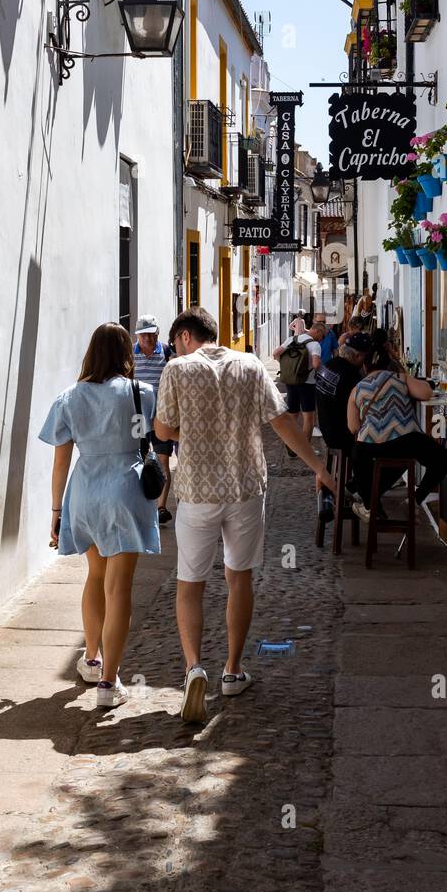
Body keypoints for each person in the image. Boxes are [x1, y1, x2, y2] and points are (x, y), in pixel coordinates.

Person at [154, 306, 336, 723]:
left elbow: (162, 432)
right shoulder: (251, 365)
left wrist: (195, 433)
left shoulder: (178, 371)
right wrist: (319, 468)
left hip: (197, 491)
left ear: (184, 336)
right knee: (238, 578)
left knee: (189, 585)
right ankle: (233, 671)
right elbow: (283, 422)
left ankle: (193, 667)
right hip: (244, 488)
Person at [39, 322, 160, 709]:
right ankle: (109, 682)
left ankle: (91, 658)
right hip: (125, 489)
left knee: (95, 575)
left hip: (86, 491)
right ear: (126, 353)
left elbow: (60, 461)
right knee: (119, 586)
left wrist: (57, 511)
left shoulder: (69, 398)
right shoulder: (141, 394)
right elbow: (146, 438)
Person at [347, 329, 447, 521]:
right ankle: (415, 500)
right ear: (389, 363)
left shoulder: (357, 389)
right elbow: (427, 393)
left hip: (368, 448)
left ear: (365, 365)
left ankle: (372, 507)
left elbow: (353, 427)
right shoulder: (400, 378)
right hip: (403, 442)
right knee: (442, 459)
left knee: (362, 462)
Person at [313, 332, 370, 522]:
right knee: (372, 451)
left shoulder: (327, 366)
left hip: (327, 431)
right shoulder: (352, 376)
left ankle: (330, 495)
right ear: (357, 356)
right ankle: (357, 497)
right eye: (364, 357)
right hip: (342, 436)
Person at [133, 314, 174, 525]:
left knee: (163, 461)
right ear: (137, 335)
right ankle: (140, 505)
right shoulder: (130, 355)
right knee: (136, 460)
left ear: (158, 332)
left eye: (152, 333)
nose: (148, 338)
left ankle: (160, 507)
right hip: (137, 418)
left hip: (161, 417)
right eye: (144, 334)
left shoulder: (167, 353)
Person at [272, 320, 323, 444]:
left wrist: (287, 367)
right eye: (323, 335)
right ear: (317, 331)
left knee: (293, 414)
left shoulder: (292, 339)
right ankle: (305, 449)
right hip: (307, 384)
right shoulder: (315, 345)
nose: (322, 338)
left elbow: (275, 353)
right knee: (308, 417)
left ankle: (290, 444)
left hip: (291, 381)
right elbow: (316, 365)